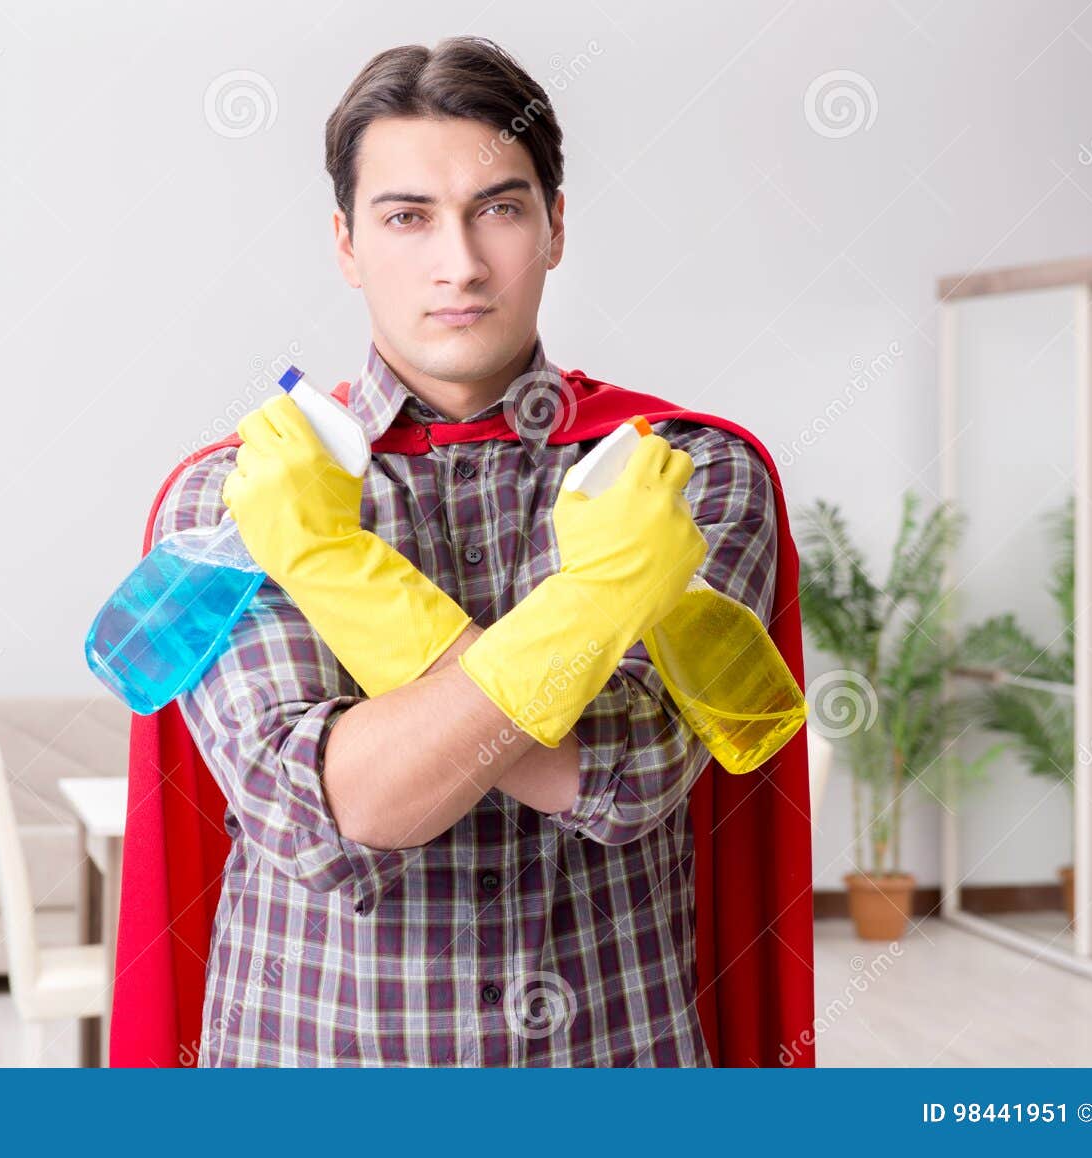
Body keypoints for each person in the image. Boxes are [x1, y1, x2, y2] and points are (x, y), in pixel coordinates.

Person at [111, 34, 813, 1068]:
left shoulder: (687, 474)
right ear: (347, 244)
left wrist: (331, 570)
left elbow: (627, 778)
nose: (462, 264)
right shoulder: (234, 494)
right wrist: (597, 605)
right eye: (408, 217)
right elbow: (335, 808)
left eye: (499, 208)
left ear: (555, 227)